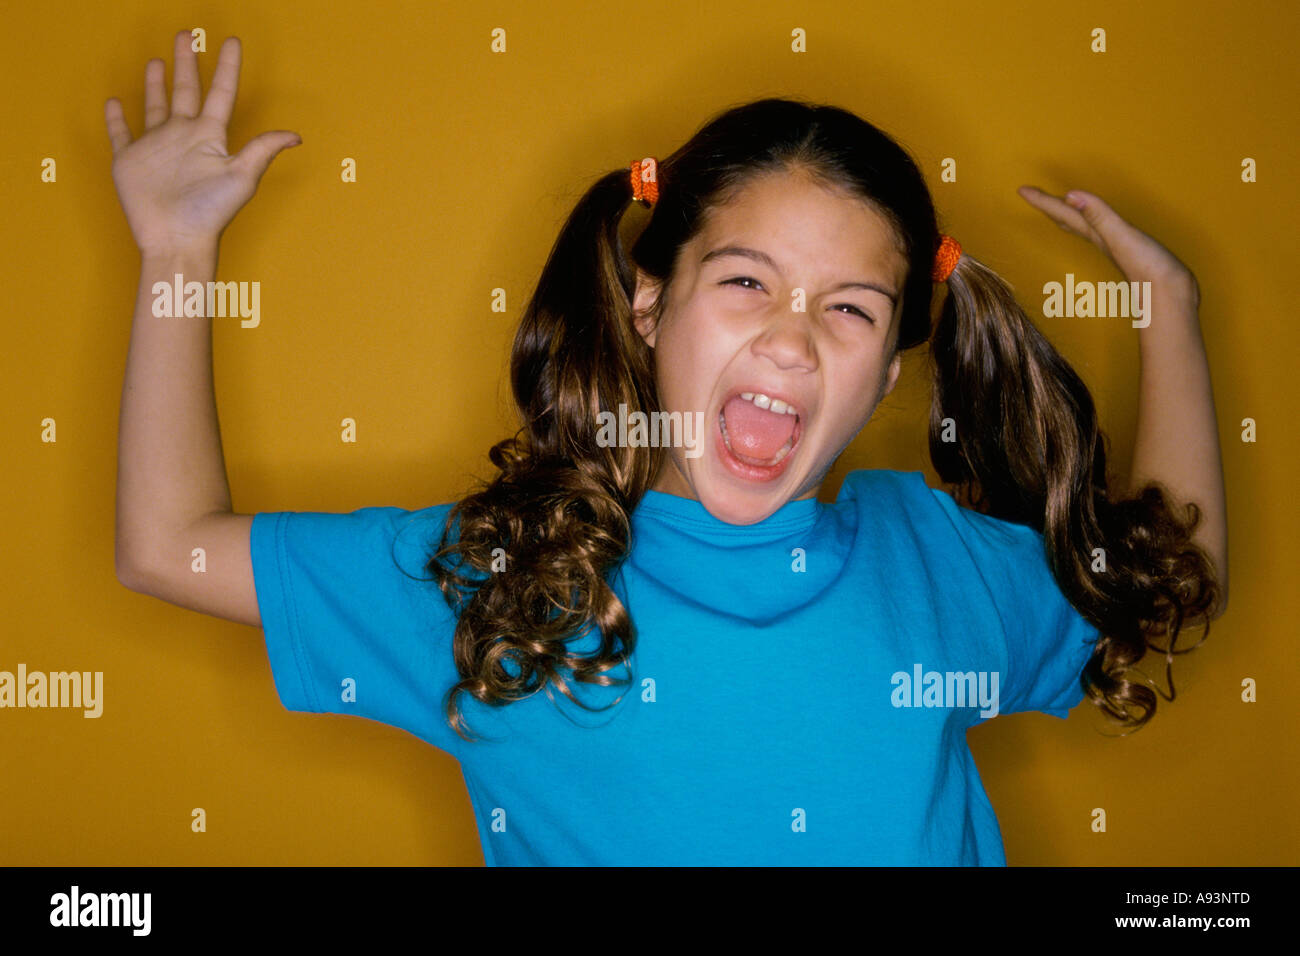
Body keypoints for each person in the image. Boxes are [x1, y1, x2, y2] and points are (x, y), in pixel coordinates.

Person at [108, 31, 1227, 865]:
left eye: (848, 309)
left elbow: (1173, 574)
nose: (789, 335)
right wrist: (175, 249)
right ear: (648, 306)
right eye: (744, 281)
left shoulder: (934, 556)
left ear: (888, 373)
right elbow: (166, 544)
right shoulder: (507, 574)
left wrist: (1170, 305)